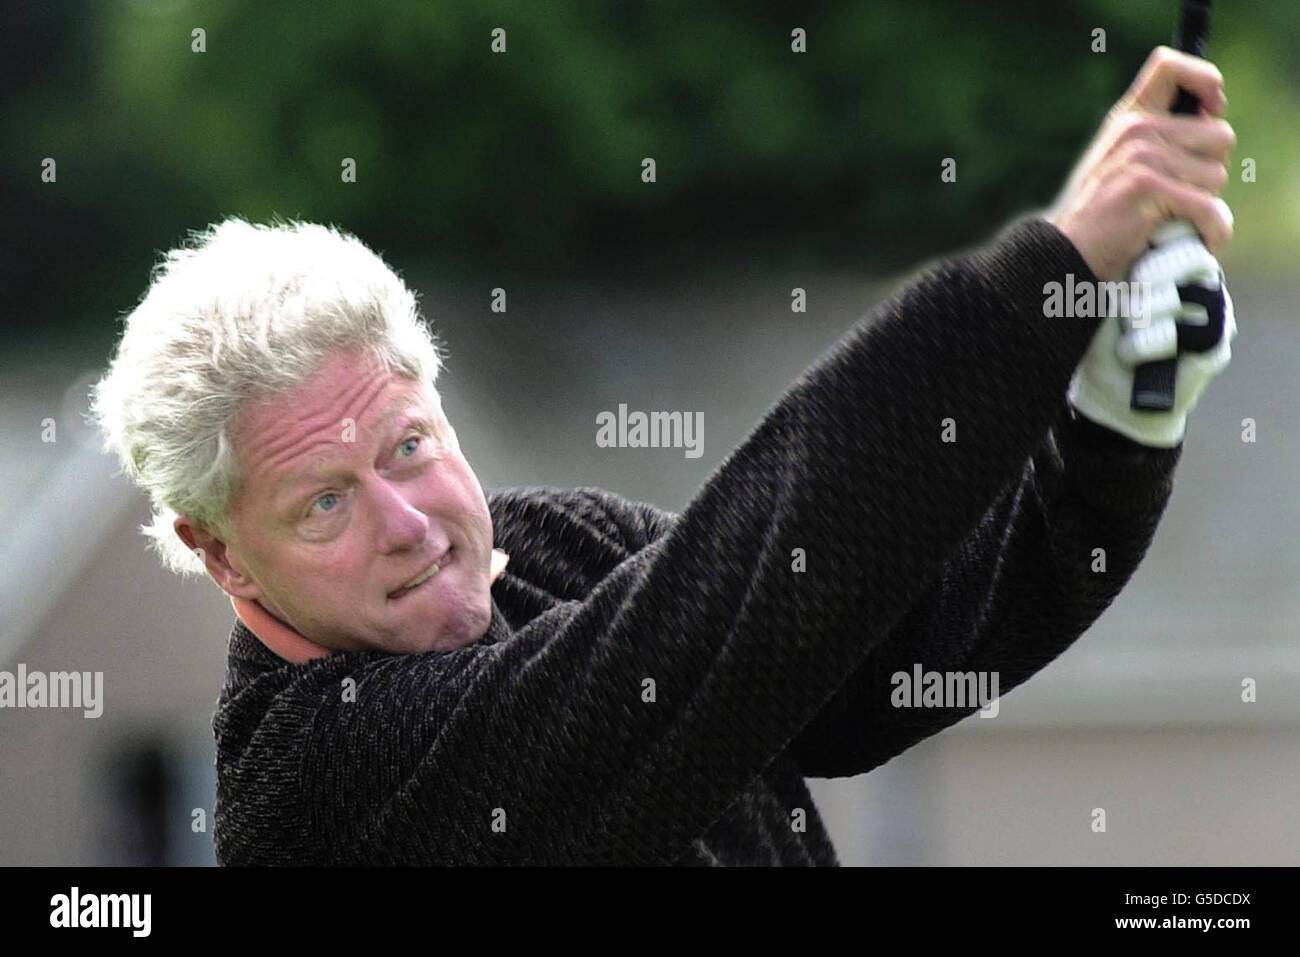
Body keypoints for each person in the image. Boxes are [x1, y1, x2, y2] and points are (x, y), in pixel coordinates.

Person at [90, 46, 1236, 865]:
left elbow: (885, 637)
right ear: (223, 557)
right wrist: (1054, 264)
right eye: (325, 504)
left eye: (409, 445)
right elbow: (710, 629)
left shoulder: (553, 545)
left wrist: (1113, 427)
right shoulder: (316, 777)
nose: (410, 521)